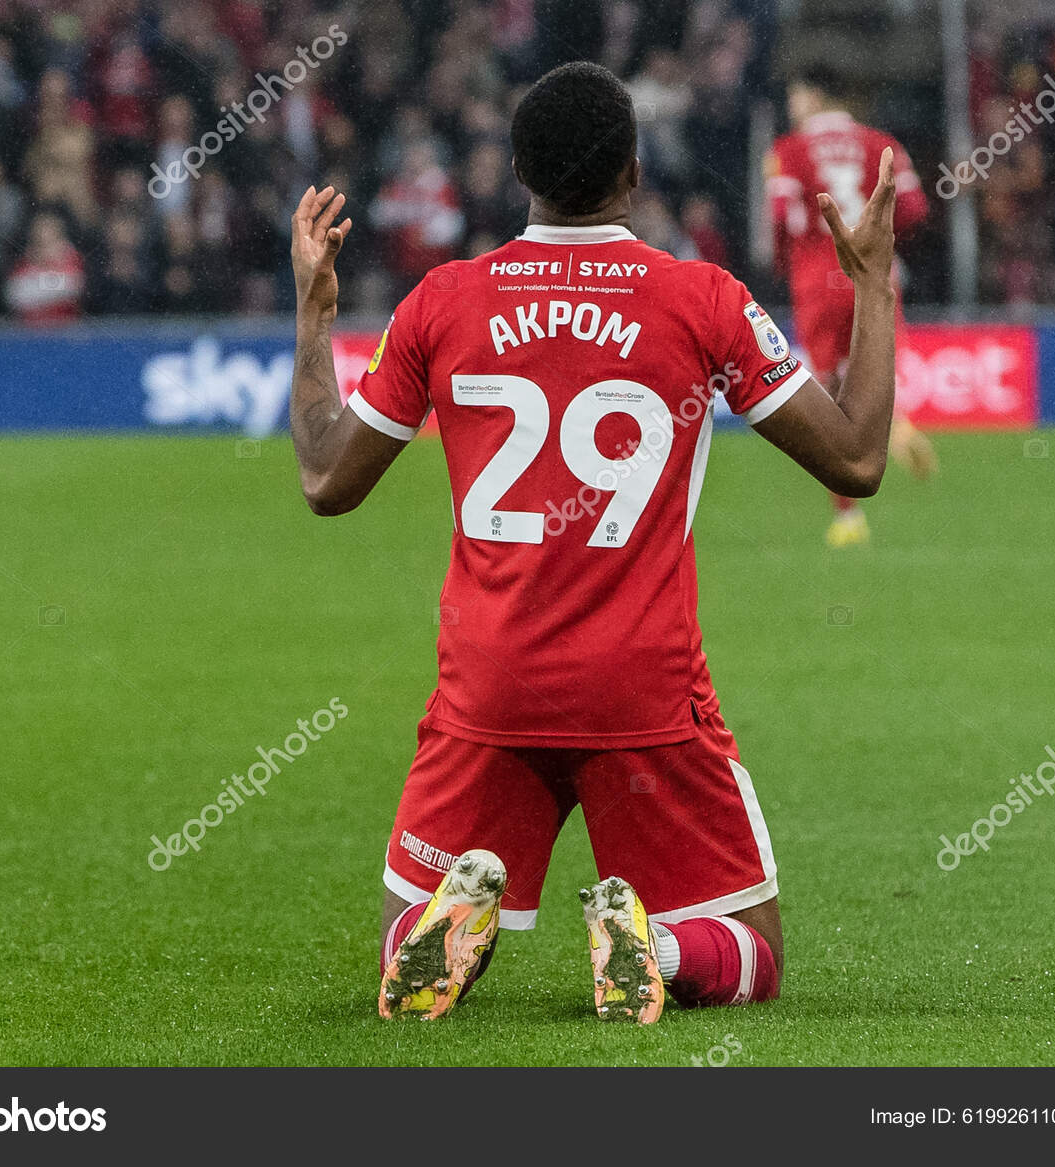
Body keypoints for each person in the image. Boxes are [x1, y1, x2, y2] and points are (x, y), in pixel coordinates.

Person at [286, 62, 899, 1023]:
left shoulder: (444, 301)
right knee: (754, 950)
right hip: (642, 690)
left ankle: (452, 926)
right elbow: (859, 457)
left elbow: (326, 478)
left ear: (518, 169)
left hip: (488, 687)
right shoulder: (703, 300)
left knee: (399, 946)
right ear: (635, 172)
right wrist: (874, 287)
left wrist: (315, 321)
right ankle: (652, 945)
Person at [767, 65, 937, 548]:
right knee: (873, 377)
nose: (792, 104)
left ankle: (847, 517)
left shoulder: (788, 149)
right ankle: (897, 426)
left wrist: (784, 264)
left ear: (815, 95)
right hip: (874, 275)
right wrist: (881, 241)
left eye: (796, 93)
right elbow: (914, 209)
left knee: (830, 394)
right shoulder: (882, 143)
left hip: (817, 278)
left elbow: (780, 217)